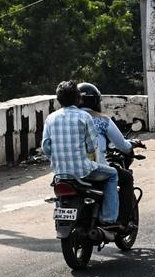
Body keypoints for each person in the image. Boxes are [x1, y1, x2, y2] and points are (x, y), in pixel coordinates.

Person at [41, 80, 120, 228]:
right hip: (83, 171)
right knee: (113, 174)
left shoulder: (50, 118)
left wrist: (56, 158)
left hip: (59, 174)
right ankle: (109, 218)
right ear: (78, 99)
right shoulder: (84, 117)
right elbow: (91, 146)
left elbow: (46, 146)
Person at [77, 82, 137, 226]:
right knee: (124, 177)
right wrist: (132, 144)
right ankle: (117, 220)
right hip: (91, 168)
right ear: (96, 101)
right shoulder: (101, 120)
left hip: (65, 170)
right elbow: (122, 145)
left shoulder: (63, 118)